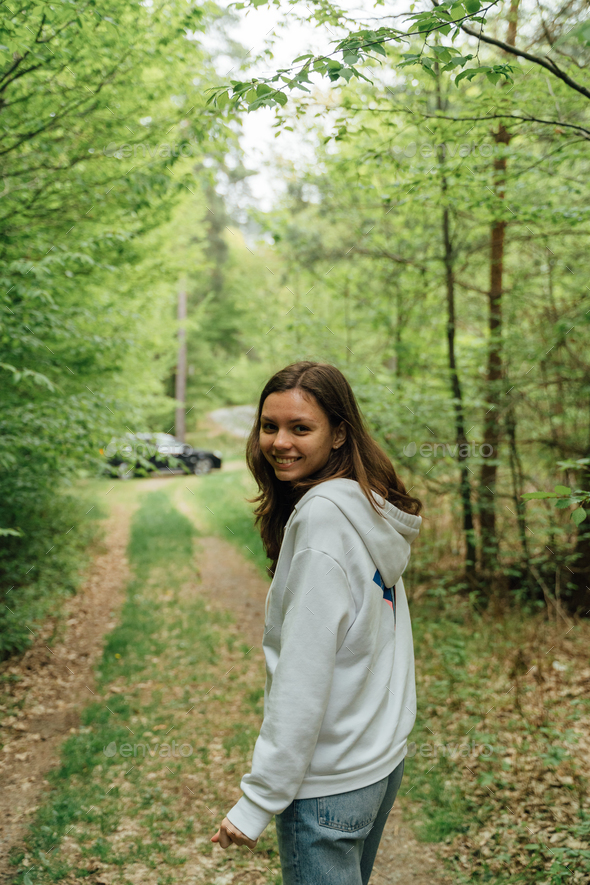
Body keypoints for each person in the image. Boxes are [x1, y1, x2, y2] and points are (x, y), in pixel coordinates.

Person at [211, 360, 423, 884]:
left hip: (329, 784)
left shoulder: (325, 521)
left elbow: (302, 680)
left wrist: (258, 801)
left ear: (338, 434)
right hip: (378, 763)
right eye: (269, 426)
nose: (279, 441)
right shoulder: (365, 506)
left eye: (300, 428)